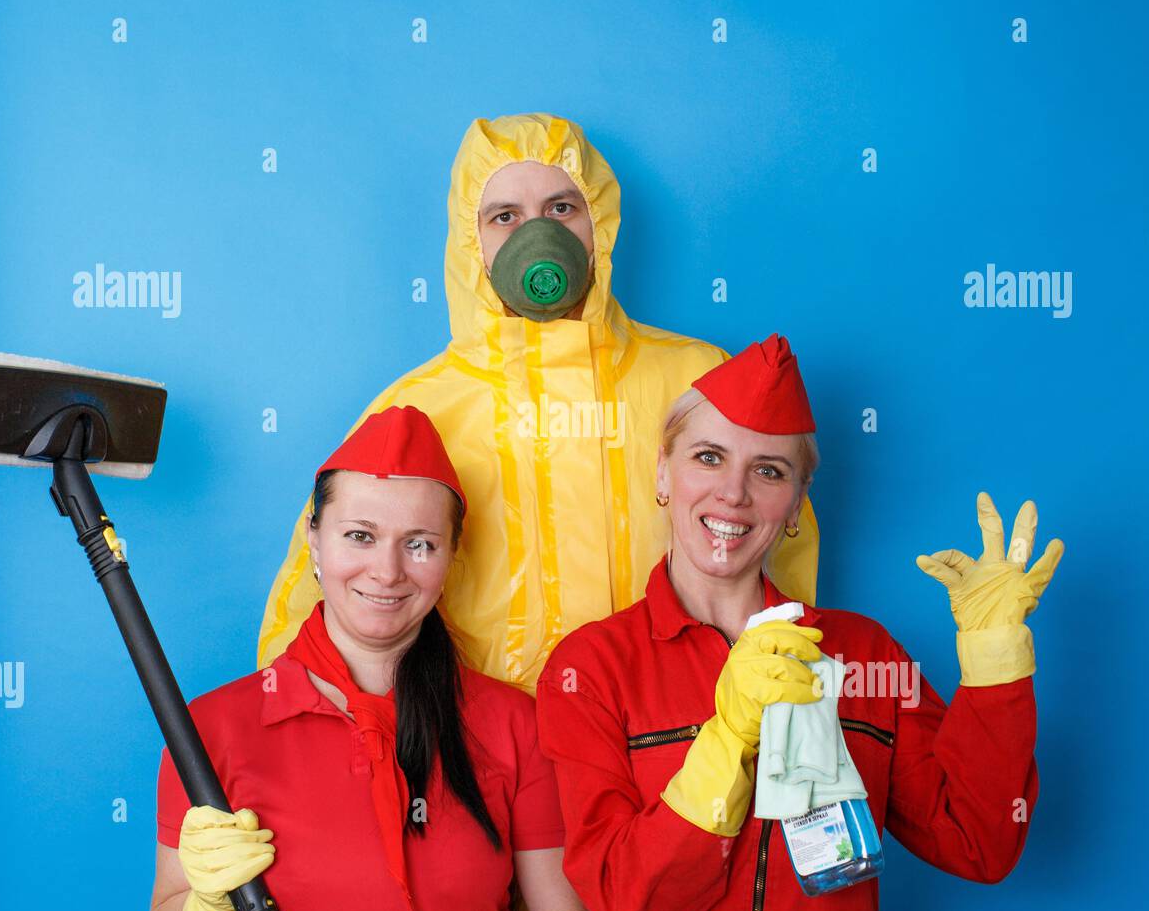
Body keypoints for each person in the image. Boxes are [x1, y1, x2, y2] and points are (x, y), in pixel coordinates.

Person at [535, 333, 1064, 911]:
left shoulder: (862, 657)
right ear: (662, 473)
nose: (732, 494)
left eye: (769, 470)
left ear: (795, 504)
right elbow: (629, 905)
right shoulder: (591, 669)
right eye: (708, 457)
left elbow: (979, 841)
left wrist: (995, 662)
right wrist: (727, 739)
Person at [257, 113, 822, 692]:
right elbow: (325, 586)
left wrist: (769, 710)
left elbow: (777, 552)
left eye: (561, 209)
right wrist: (286, 724)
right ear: (469, 238)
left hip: (683, 733)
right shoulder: (418, 408)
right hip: (492, 757)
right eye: (506, 216)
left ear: (597, 221)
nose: (538, 236)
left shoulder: (697, 378)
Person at [149, 405, 605, 911]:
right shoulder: (214, 730)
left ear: (450, 555)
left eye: (419, 543)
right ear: (313, 539)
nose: (387, 572)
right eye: (359, 535)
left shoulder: (511, 723)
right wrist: (207, 908)